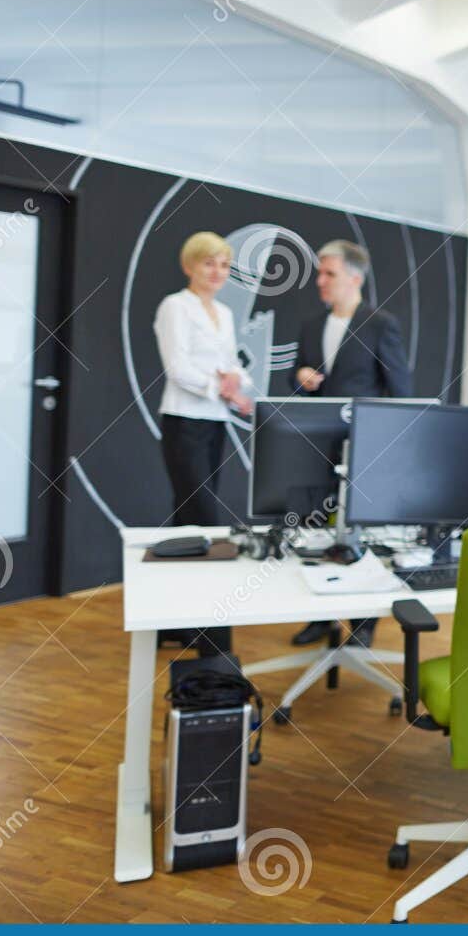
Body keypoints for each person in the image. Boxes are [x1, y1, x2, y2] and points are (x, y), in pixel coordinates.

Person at [289, 239, 412, 648]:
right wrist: (300, 379)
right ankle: (319, 618)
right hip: (316, 447)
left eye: (329, 273)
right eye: (320, 273)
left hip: (364, 449)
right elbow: (296, 378)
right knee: (315, 533)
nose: (320, 281)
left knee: (360, 537)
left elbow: (399, 390)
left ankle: (362, 623)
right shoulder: (310, 325)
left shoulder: (380, 324)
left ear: (355, 278)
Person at [153, 231, 254, 656]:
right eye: (208, 263)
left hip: (213, 424)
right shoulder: (175, 306)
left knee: (187, 522)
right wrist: (223, 389)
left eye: (224, 265)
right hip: (183, 421)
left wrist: (239, 386)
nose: (216, 272)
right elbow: (177, 368)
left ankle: (172, 623)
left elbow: (233, 365)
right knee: (207, 521)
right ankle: (215, 643)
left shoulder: (225, 313)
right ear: (190, 266)